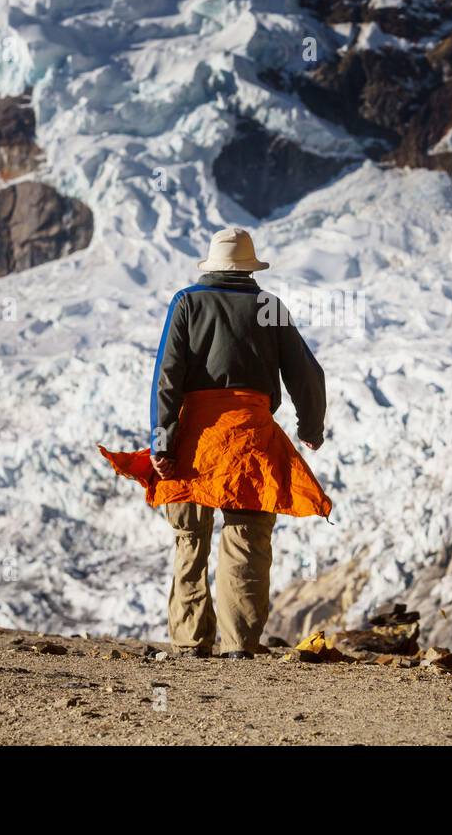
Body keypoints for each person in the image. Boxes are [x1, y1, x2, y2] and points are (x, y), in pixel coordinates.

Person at [100, 227, 331, 659]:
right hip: (252, 440)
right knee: (247, 537)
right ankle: (240, 644)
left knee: (190, 537)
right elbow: (307, 374)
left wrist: (163, 442)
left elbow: (167, 378)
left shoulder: (187, 303)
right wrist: (310, 428)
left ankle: (190, 641)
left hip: (195, 439)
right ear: (249, 268)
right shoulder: (270, 307)